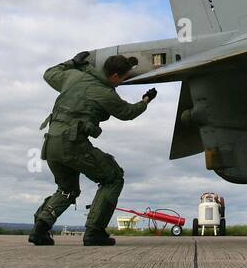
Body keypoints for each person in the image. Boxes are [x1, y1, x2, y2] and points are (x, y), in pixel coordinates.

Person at [28, 51, 156, 246]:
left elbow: (49, 73)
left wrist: (71, 62)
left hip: (51, 143)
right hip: (72, 144)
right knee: (113, 177)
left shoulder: (73, 75)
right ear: (114, 76)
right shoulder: (105, 93)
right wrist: (145, 101)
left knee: (67, 189)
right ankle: (94, 231)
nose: (121, 83)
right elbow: (128, 113)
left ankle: (40, 229)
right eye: (122, 78)